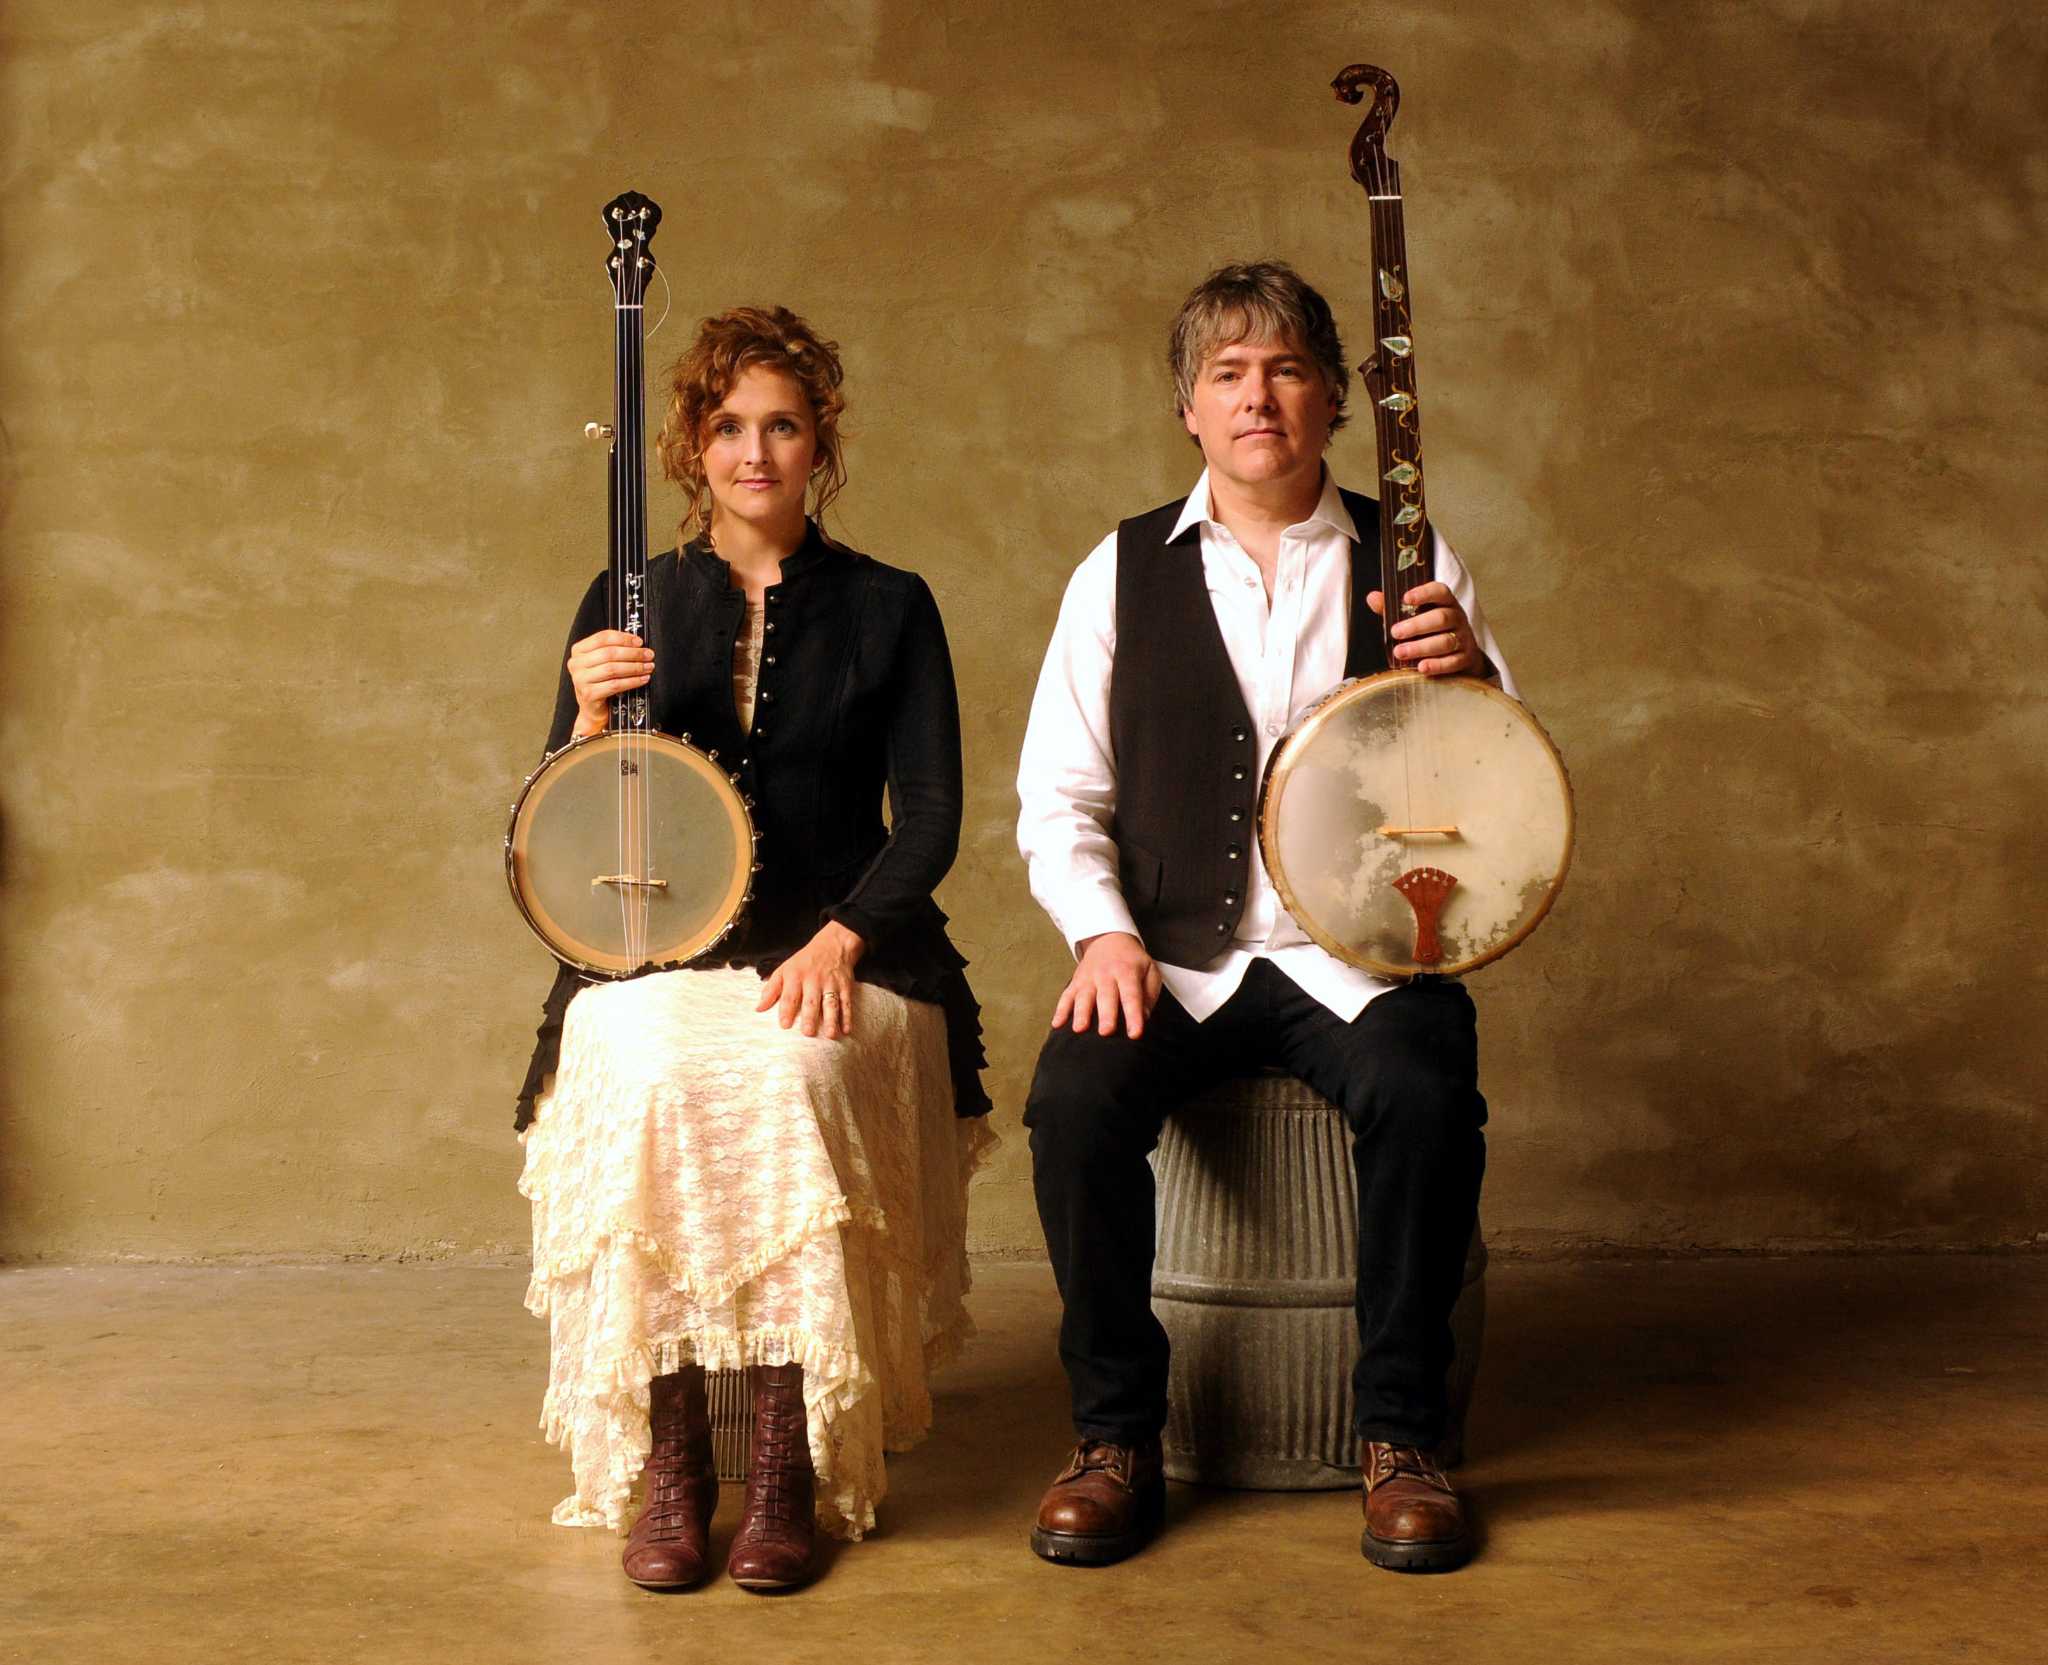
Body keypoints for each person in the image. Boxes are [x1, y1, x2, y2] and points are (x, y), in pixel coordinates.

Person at [1015, 261, 1515, 1574]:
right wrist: (1103, 932)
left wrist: (1471, 674)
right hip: (1175, 956)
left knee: (1425, 1090)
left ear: (1334, 399)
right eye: (1228, 372)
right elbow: (1058, 795)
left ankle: (1403, 1436)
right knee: (1072, 1101)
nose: (1258, 396)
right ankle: (1114, 1434)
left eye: (1287, 368)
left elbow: (1489, 778)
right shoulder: (1117, 571)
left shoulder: (1410, 558)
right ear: (1188, 406)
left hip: (1356, 959)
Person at [513, 305, 994, 1593]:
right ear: (691, 446)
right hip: (656, 956)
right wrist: (582, 711)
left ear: (819, 442)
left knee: (790, 1078)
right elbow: (562, 826)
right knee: (655, 1078)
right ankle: (675, 1468)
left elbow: (934, 818)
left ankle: (784, 1466)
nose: (755, 452)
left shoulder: (894, 605)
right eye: (728, 427)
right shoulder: (630, 600)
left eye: (782, 425)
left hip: (857, 945)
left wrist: (845, 937)